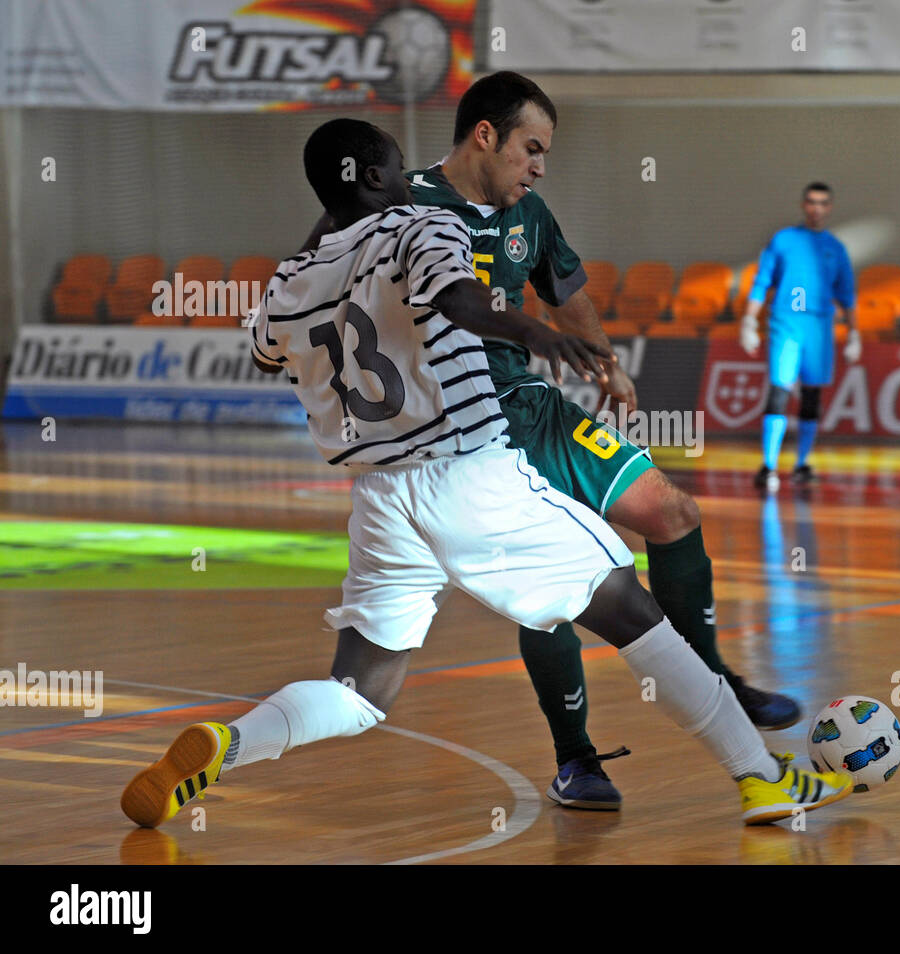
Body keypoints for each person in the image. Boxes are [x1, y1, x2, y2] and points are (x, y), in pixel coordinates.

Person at [119, 119, 851, 831]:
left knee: (360, 692)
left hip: (380, 499)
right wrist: (536, 332)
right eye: (398, 169)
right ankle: (763, 778)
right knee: (632, 610)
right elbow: (459, 300)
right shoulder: (422, 228)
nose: (411, 179)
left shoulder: (289, 281)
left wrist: (333, 231)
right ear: (376, 179)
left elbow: (264, 353)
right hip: (468, 470)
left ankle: (229, 743)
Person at [305, 71, 801, 813]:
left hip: (539, 406)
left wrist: (606, 364)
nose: (539, 165)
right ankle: (576, 759)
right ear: (485, 136)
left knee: (673, 515)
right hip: (464, 429)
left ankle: (713, 678)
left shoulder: (527, 212)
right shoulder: (395, 200)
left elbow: (567, 294)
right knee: (558, 594)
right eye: (530, 149)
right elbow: (316, 267)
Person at [741, 182, 857, 493]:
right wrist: (749, 321)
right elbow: (761, 281)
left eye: (822, 203)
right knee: (779, 390)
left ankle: (802, 462)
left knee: (812, 396)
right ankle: (768, 465)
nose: (816, 208)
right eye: (811, 202)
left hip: (819, 326)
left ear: (829, 207)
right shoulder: (784, 240)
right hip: (786, 322)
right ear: (803, 204)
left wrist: (855, 332)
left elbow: (847, 295)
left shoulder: (835, 248)